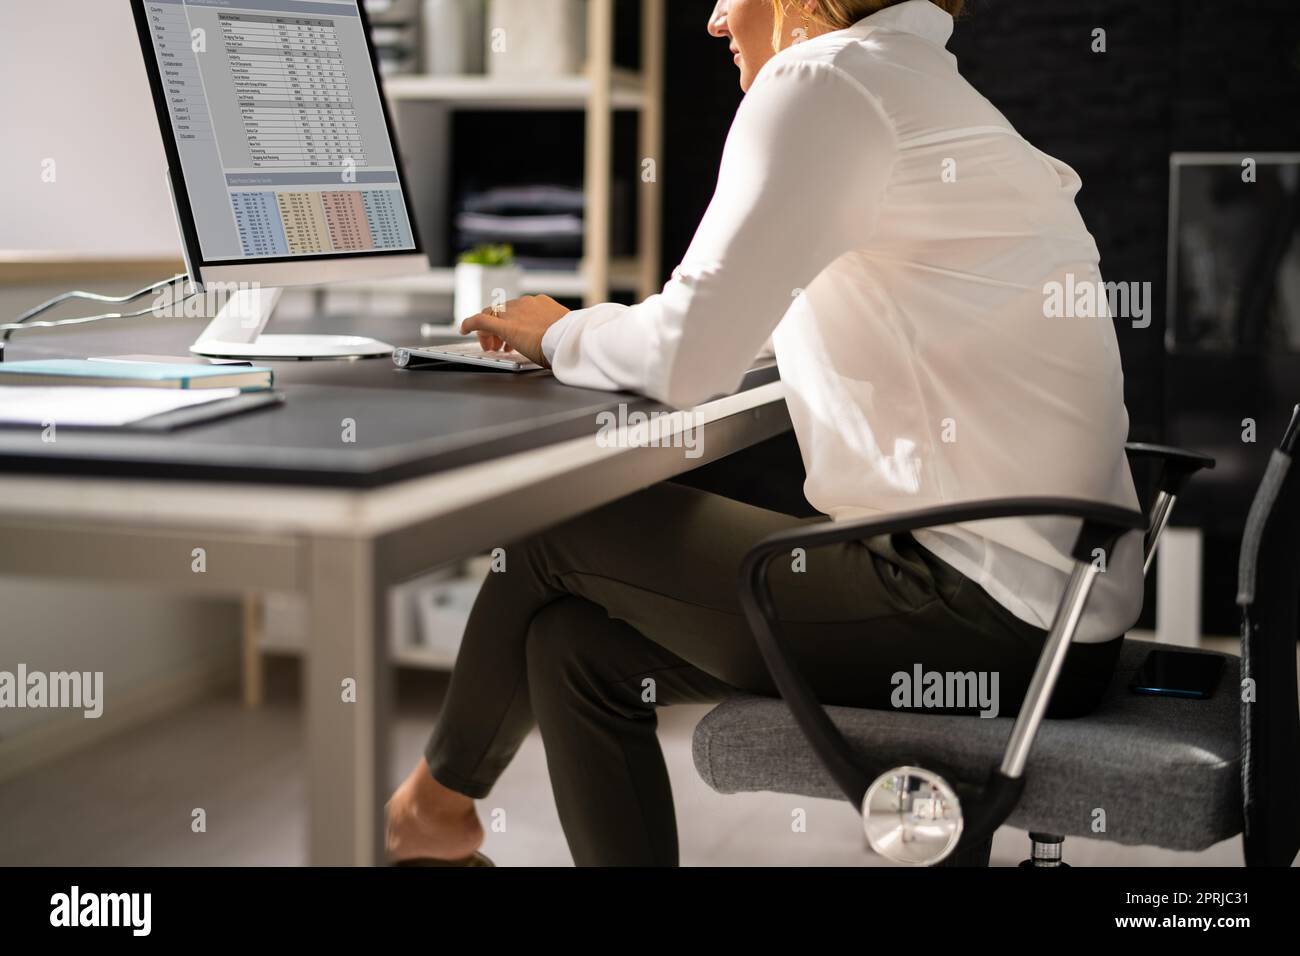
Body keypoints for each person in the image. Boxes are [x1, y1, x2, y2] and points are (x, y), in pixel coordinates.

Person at [385, 0, 1144, 867]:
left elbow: (688, 354)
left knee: (548, 525)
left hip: (977, 610)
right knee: (575, 648)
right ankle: (436, 820)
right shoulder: (933, 94)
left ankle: (427, 814)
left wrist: (558, 331)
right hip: (1060, 621)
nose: (712, 19)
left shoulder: (824, 78)